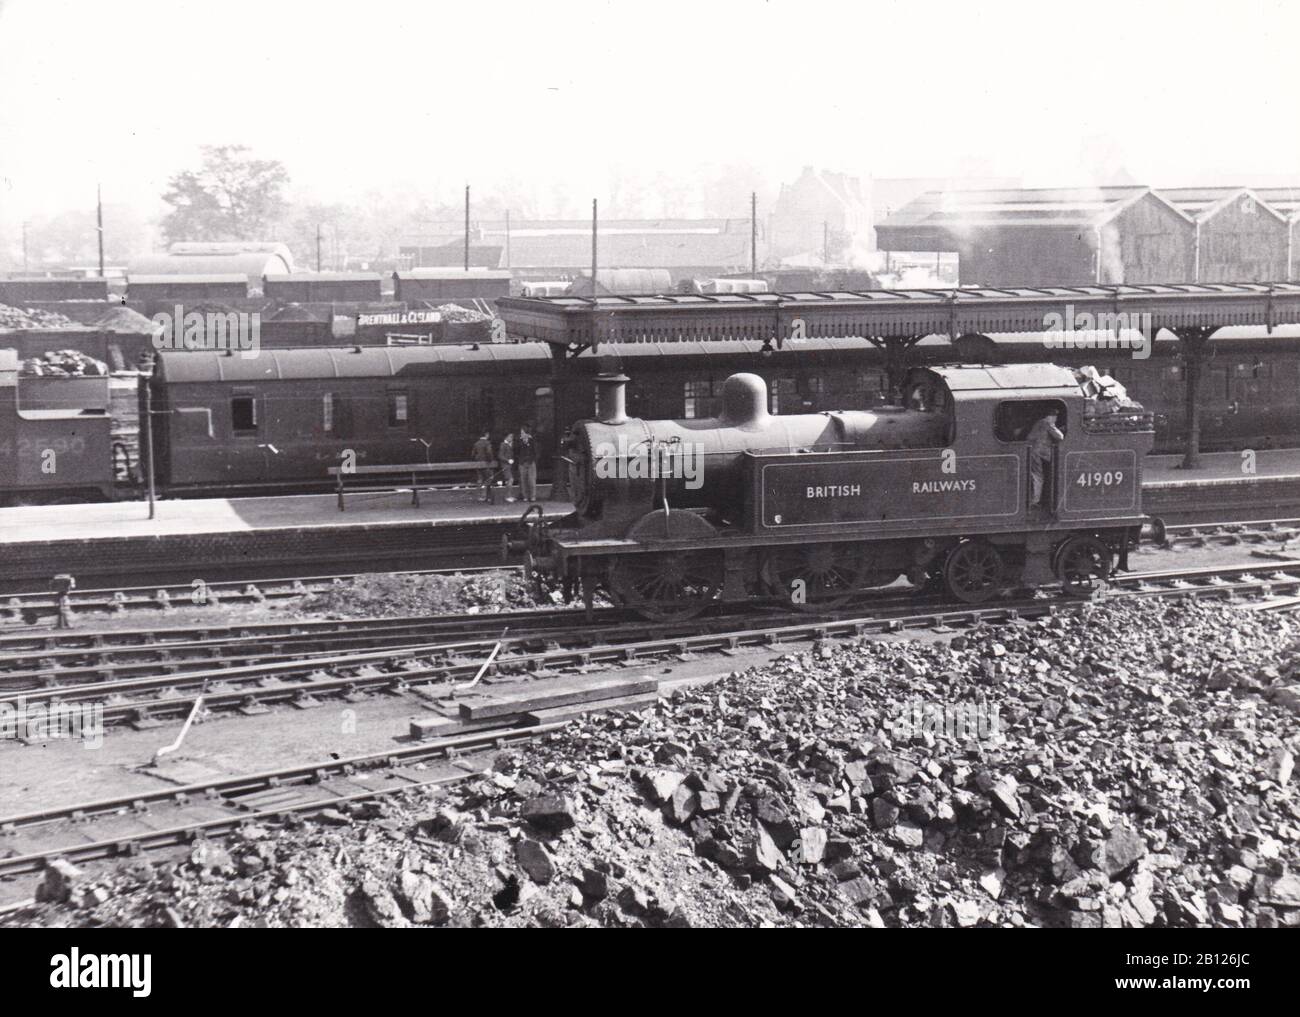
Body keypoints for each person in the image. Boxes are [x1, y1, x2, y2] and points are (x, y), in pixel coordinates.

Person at [1027, 411, 1064, 507]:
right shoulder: (1047, 423)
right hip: (1039, 454)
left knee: (1036, 476)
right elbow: (1060, 436)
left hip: (1033, 452)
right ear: (1050, 416)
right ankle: (1035, 501)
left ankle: (1035, 499)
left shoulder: (1040, 422)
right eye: (1054, 416)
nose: (1056, 419)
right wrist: (1054, 426)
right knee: (1038, 477)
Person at [517, 422, 538, 502]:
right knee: (523, 480)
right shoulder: (519, 442)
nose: (521, 434)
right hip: (522, 462)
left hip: (530, 462)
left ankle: (533, 496)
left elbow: (536, 451)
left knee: (531, 480)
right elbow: (517, 451)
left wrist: (533, 460)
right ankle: (525, 496)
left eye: (522, 432)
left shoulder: (532, 441)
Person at [472, 431, 494, 502]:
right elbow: (489, 452)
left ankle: (479, 496)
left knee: (480, 479)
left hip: (478, 463)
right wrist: (490, 460)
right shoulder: (487, 443)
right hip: (486, 463)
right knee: (487, 480)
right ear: (486, 435)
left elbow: (472, 454)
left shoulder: (476, 443)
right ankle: (485, 496)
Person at [497, 432, 516, 502]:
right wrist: (508, 460)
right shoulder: (503, 445)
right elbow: (500, 455)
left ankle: (509, 495)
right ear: (506, 437)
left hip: (509, 465)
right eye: (510, 437)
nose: (512, 438)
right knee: (510, 480)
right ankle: (508, 496)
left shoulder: (509, 445)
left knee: (510, 480)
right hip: (505, 465)